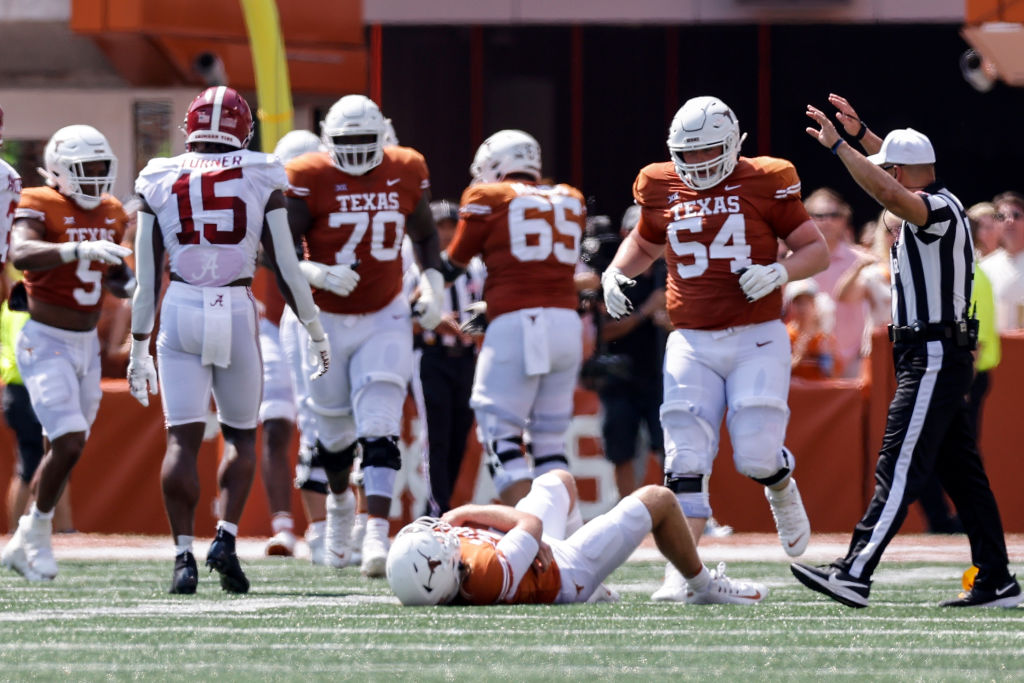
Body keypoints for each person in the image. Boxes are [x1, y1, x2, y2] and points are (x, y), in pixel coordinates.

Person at [794, 94, 1021, 608]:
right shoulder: (937, 196)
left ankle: (854, 569)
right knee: (963, 476)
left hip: (935, 354)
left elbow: (888, 189)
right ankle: (996, 578)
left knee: (898, 464)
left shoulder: (935, 208)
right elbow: (893, 176)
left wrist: (838, 148)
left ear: (903, 170)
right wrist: (862, 135)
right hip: (933, 353)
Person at [600, 96, 828, 602]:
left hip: (757, 334)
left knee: (755, 454)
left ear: (733, 144)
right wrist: (617, 270)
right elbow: (645, 240)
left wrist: (780, 270)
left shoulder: (767, 179)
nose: (699, 164)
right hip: (691, 339)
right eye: (690, 154)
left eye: (709, 152)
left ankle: (781, 483)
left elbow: (817, 249)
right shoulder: (659, 183)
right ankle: (682, 575)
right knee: (684, 456)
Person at [129, 86, 330, 594]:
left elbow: (147, 277)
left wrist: (137, 346)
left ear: (191, 127)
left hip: (181, 307)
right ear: (243, 129)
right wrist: (314, 328)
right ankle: (226, 539)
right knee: (242, 436)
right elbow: (286, 264)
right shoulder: (263, 172)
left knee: (182, 438)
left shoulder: (158, 175)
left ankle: (181, 558)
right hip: (237, 307)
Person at [285, 94, 444, 577]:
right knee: (333, 437)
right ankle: (339, 511)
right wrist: (313, 271)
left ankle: (377, 531)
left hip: (383, 312)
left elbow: (425, 234)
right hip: (323, 318)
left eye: (364, 141)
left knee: (380, 422)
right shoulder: (306, 174)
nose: (355, 150)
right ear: (328, 141)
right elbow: (278, 246)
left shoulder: (406, 168)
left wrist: (432, 285)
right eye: (345, 141)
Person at [1, 124, 134, 581]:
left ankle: (25, 539)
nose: (96, 177)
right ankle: (35, 534)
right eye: (85, 169)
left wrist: (126, 280)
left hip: (86, 346)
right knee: (69, 439)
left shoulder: (113, 211)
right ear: (58, 172)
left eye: (102, 168)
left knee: (66, 449)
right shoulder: (41, 202)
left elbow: (107, 273)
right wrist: (75, 246)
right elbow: (20, 251)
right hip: (45, 338)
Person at [443, 130, 585, 507]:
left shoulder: (487, 198)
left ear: (496, 166)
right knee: (550, 439)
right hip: (565, 323)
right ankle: (560, 536)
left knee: (499, 435)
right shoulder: (570, 198)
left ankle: (531, 535)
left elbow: (454, 262)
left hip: (519, 324)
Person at [385, 469, 766, 606]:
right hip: (567, 573)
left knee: (557, 481)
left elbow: (528, 531)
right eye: (437, 545)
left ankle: (600, 586)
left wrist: (527, 539)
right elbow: (530, 524)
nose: (442, 534)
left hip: (537, 555)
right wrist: (465, 513)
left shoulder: (449, 574)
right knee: (659, 500)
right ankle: (703, 586)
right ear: (439, 571)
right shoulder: (484, 576)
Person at [257, 129, 327, 558]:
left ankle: (333, 525)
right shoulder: (262, 199)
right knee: (276, 423)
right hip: (270, 322)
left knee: (327, 421)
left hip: (319, 318)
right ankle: (284, 526)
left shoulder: (333, 198)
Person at [586, 205, 669, 499]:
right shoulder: (611, 274)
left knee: (669, 447)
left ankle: (676, 508)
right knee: (621, 449)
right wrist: (646, 312)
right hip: (619, 376)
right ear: (625, 235)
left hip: (661, 374)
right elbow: (603, 330)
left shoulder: (668, 273)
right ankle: (626, 510)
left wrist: (669, 320)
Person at [412, 199, 485, 515]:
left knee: (459, 436)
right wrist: (435, 320)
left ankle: (442, 505)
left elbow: (486, 302)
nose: (445, 233)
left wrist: (478, 323)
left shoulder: (476, 265)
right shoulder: (419, 266)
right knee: (436, 436)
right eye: (439, 226)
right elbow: (405, 310)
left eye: (451, 226)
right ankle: (435, 508)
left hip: (466, 358)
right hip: (433, 355)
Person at [803, 188, 874, 378]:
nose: (826, 221)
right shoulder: (796, 260)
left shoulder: (863, 260)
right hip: (809, 359)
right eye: (818, 215)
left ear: (845, 219)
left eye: (833, 215)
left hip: (855, 359)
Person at [979, 192, 1024, 332]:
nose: (1009, 220)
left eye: (1016, 215)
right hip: (998, 351)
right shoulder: (984, 268)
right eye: (1001, 216)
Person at [784, 279, 841, 381]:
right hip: (794, 395)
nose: (803, 307)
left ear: (814, 304)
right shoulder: (784, 334)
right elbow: (778, 373)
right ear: (790, 306)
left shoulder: (824, 338)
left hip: (819, 395)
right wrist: (797, 357)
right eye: (798, 302)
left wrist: (826, 357)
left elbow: (833, 376)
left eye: (807, 302)